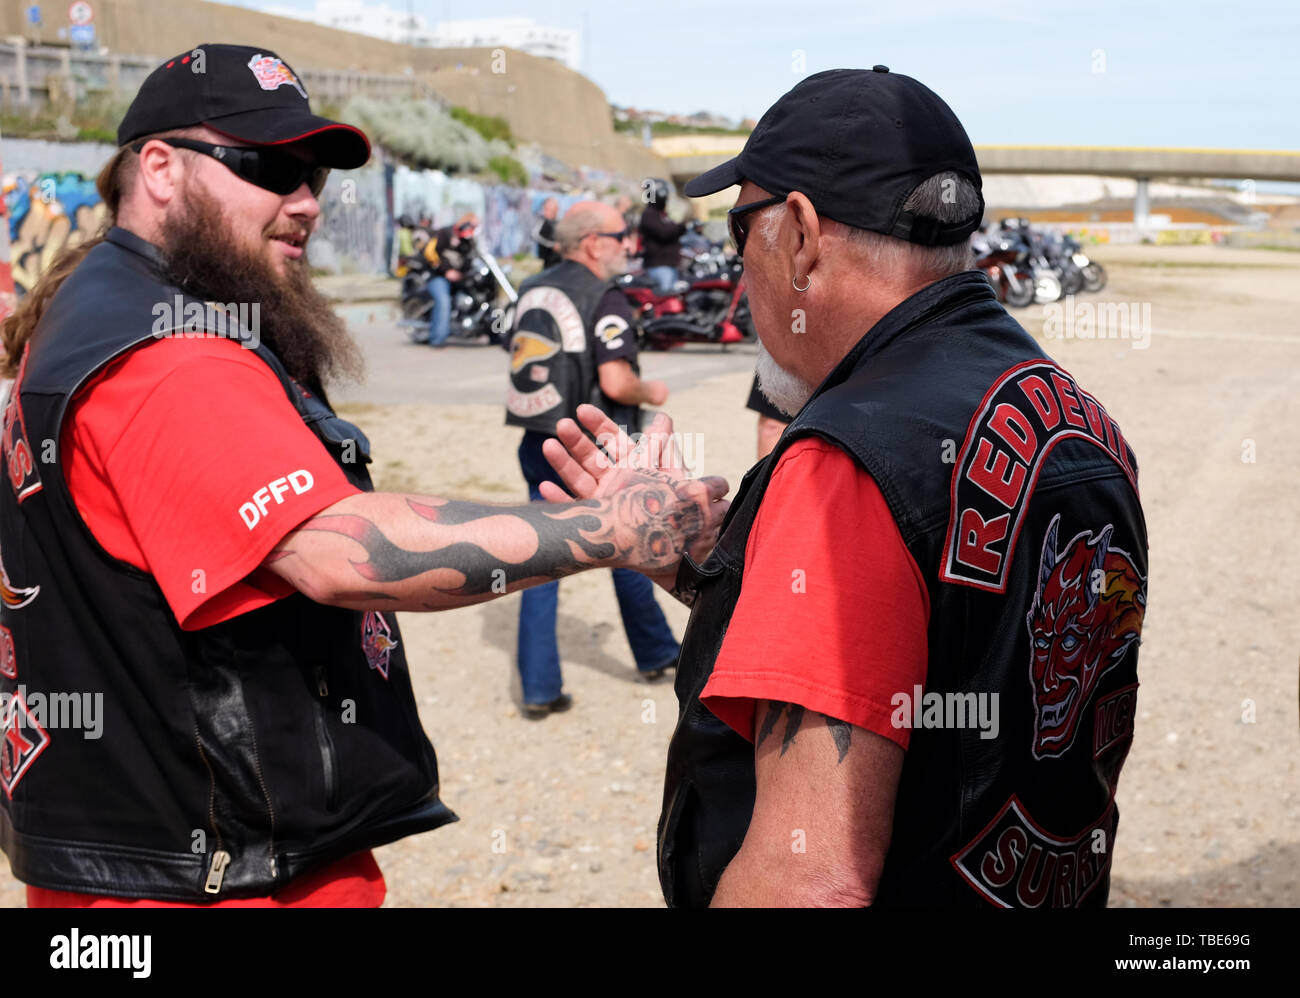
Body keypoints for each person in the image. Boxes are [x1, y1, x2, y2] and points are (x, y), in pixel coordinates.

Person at [0, 43, 727, 908]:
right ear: (159, 168)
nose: (306, 200)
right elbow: (340, 552)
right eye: (270, 167)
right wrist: (616, 529)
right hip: (213, 875)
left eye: (313, 174)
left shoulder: (105, 303)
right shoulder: (171, 355)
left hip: (149, 846)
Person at [548, 67, 1148, 907]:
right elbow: (955, 648)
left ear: (798, 232)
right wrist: (708, 574)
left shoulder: (849, 457)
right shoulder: (1075, 413)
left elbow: (809, 880)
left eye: (738, 230)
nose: (735, 268)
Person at [505, 201, 681, 718]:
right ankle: (656, 653)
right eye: (619, 234)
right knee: (625, 540)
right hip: (592, 446)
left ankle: (540, 686)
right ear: (590, 243)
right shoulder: (606, 297)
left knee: (543, 556)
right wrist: (653, 390)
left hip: (537, 440)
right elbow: (616, 382)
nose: (629, 242)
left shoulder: (533, 287)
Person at [420, 213, 478, 347]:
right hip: (437, 276)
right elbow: (430, 253)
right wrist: (446, 270)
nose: (474, 227)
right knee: (443, 300)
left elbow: (470, 258)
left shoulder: (468, 239)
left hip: (459, 278)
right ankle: (438, 339)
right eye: (473, 224)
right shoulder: (444, 233)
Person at [637, 178, 687, 294]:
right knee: (664, 298)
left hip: (669, 264)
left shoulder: (662, 215)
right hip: (659, 266)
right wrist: (679, 227)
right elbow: (663, 232)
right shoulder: (649, 214)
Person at [533, 196, 561, 269]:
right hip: (547, 255)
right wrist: (552, 245)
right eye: (548, 209)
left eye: (553, 209)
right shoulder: (542, 221)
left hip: (557, 257)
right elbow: (535, 235)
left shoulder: (557, 222)